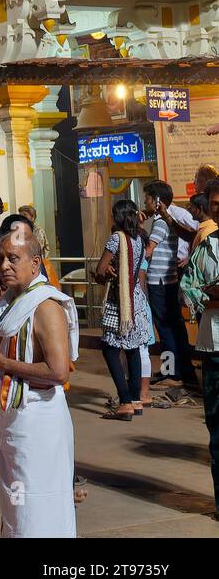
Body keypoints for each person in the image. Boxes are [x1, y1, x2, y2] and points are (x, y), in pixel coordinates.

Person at [0, 227, 78, 537]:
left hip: (38, 422)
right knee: (17, 501)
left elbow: (59, 372)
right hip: (16, 418)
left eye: (13, 259)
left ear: (35, 263)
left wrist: (1, 364)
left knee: (36, 502)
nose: (4, 265)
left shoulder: (46, 307)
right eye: (1, 258)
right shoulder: (13, 301)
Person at [93, 199, 153, 420]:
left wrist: (105, 271)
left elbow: (100, 270)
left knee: (109, 349)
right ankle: (136, 400)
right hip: (136, 298)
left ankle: (125, 401)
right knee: (133, 349)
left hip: (120, 301)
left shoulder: (116, 238)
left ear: (117, 216)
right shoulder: (139, 238)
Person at [182, 179, 219, 514]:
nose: (217, 209)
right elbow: (188, 286)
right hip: (213, 346)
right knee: (217, 427)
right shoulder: (207, 246)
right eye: (214, 203)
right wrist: (206, 296)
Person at [143, 180, 198, 390]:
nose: (144, 201)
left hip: (158, 280)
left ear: (157, 201)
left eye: (147, 197)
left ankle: (172, 374)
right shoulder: (169, 220)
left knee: (164, 328)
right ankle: (177, 370)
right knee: (173, 327)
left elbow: (148, 250)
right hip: (170, 279)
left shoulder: (160, 223)